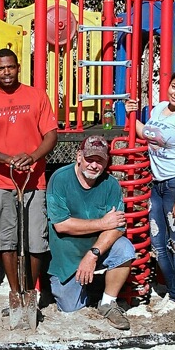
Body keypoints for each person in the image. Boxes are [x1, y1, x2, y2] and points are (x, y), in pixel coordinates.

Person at [0, 48, 58, 315]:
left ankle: (30, 293)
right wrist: (9, 160)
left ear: (18, 67)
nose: (6, 72)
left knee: (35, 240)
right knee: (5, 240)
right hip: (1, 180)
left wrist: (31, 157)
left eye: (10, 67)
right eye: (1, 68)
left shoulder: (36, 96)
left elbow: (51, 136)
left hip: (35, 180)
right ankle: (15, 294)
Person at [125, 69, 175, 311]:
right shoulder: (159, 109)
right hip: (158, 184)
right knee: (158, 241)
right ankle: (173, 287)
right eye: (174, 86)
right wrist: (131, 115)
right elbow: (149, 135)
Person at [46, 135, 135, 330]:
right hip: (67, 248)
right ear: (79, 157)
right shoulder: (60, 179)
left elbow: (118, 227)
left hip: (97, 247)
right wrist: (102, 223)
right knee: (70, 309)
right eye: (90, 159)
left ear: (106, 162)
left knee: (125, 249)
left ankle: (108, 302)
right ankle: (74, 284)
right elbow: (61, 224)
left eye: (100, 160)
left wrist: (93, 254)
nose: (94, 165)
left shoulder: (111, 184)